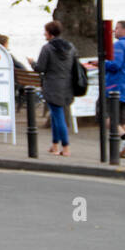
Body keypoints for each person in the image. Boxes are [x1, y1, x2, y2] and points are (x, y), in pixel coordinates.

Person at [33, 20, 75, 156]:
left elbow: (40, 68)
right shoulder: (71, 47)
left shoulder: (47, 48)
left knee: (58, 117)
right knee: (57, 115)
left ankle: (66, 147)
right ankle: (55, 145)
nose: (44, 34)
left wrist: (32, 62)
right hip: (67, 85)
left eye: (45, 31)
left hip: (52, 85)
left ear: (50, 33)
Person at [105, 19, 125, 154]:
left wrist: (102, 63)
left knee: (104, 115)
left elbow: (115, 65)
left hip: (115, 86)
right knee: (124, 118)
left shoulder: (119, 45)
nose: (114, 31)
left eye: (117, 28)